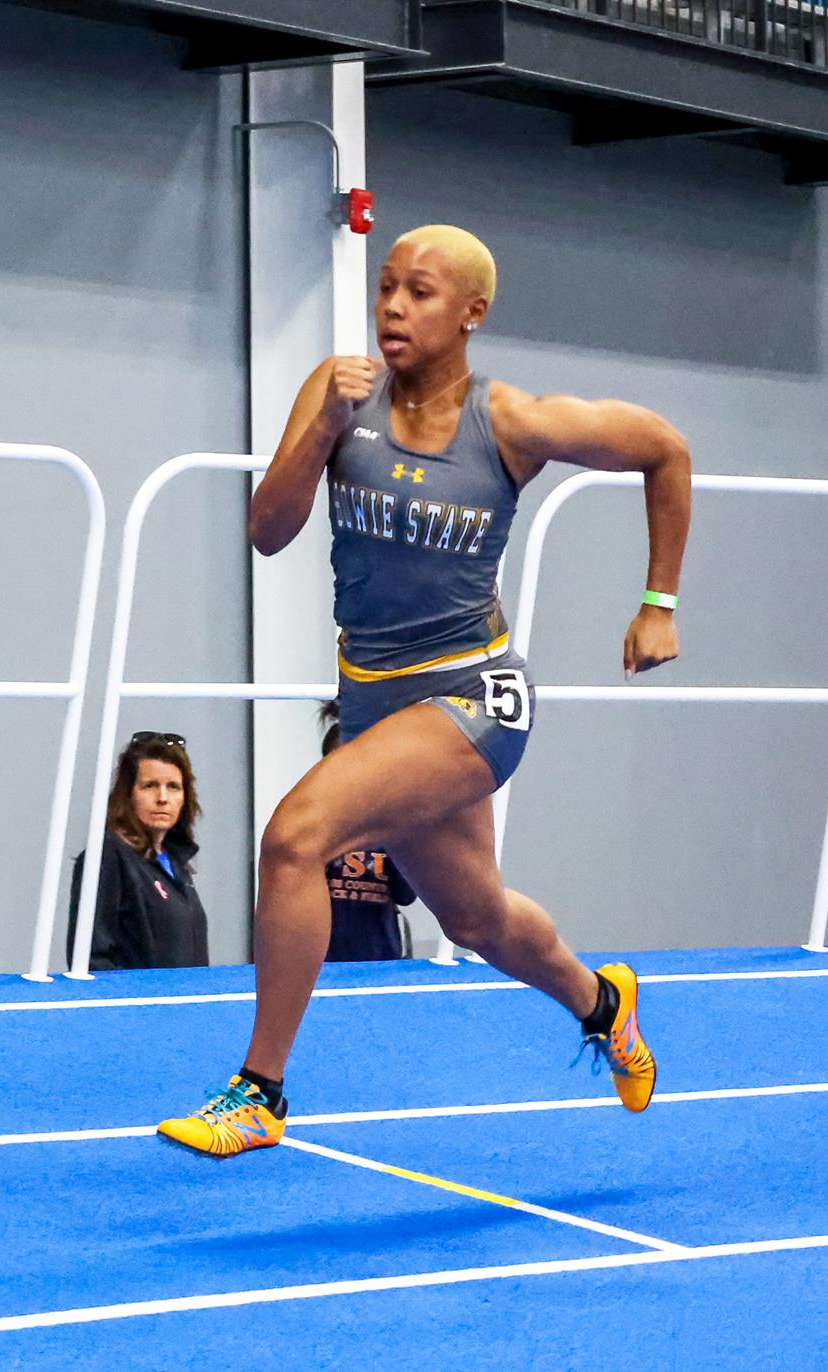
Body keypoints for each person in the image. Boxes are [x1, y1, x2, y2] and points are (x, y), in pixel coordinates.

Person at [159, 224, 692, 1156]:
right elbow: (268, 530)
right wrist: (324, 428)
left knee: (295, 838)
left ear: (473, 314)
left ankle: (260, 1094)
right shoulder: (336, 392)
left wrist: (658, 602)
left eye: (422, 293)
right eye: (387, 287)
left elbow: (665, 450)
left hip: (474, 698)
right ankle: (605, 1003)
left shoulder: (513, 421)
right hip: (371, 695)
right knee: (476, 917)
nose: (395, 308)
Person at [67, 731, 209, 971]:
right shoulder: (107, 857)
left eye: (173, 787)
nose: (163, 798)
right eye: (150, 786)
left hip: (186, 1006)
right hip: (139, 1007)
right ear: (128, 794)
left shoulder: (175, 863)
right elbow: (92, 962)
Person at [319, 701, 415, 962]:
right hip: (325, 960)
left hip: (380, 956)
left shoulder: (392, 827)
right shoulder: (315, 828)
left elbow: (407, 895)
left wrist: (397, 837)